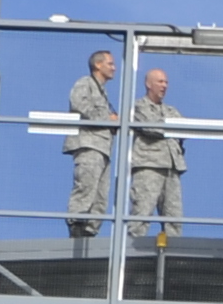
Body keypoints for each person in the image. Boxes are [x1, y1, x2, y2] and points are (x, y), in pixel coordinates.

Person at [61, 49, 121, 253]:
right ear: (98, 65)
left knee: (100, 197)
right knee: (86, 188)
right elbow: (79, 105)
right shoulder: (85, 83)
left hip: (103, 148)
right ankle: (76, 229)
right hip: (89, 145)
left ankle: (89, 232)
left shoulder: (103, 92)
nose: (114, 67)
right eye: (110, 63)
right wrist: (108, 117)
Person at [127, 60, 185, 262]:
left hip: (172, 167)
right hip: (148, 167)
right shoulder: (139, 106)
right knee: (141, 215)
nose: (164, 86)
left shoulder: (171, 110)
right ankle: (131, 258)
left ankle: (174, 259)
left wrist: (172, 130)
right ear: (149, 84)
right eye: (160, 81)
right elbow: (152, 128)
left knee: (174, 218)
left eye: (166, 82)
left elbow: (182, 131)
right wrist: (170, 129)